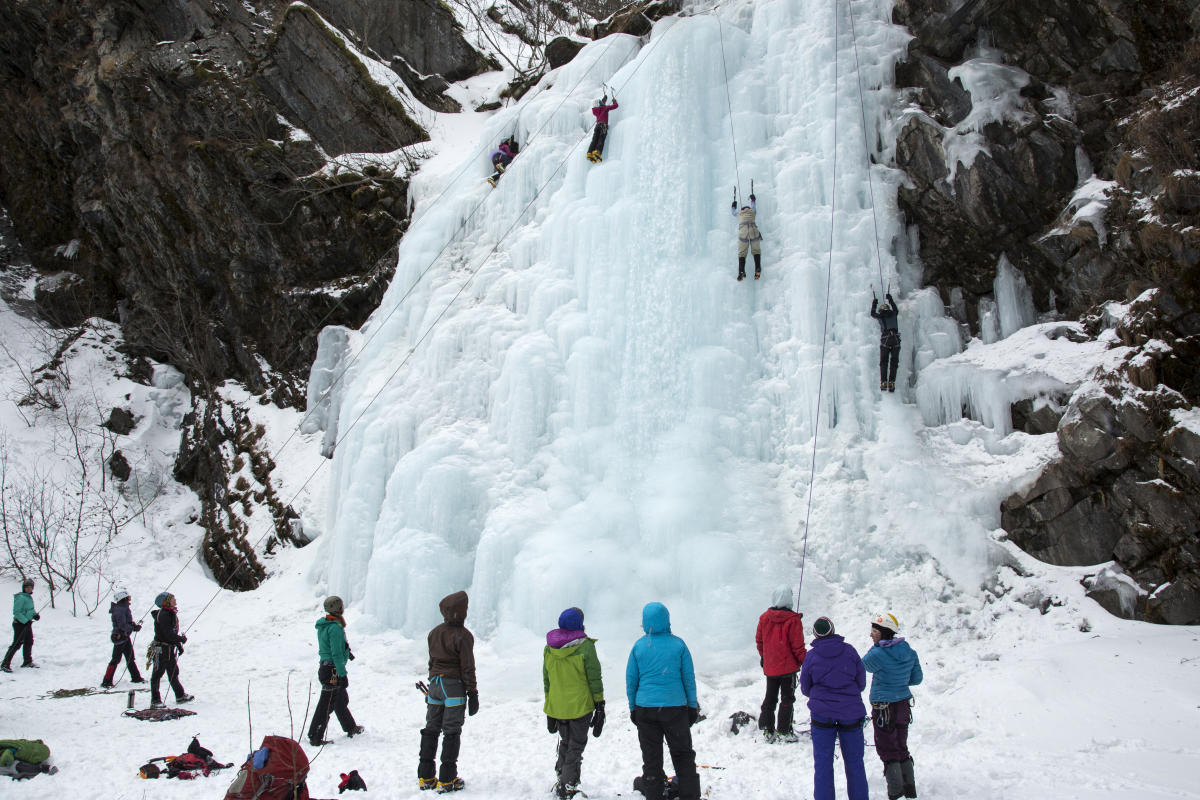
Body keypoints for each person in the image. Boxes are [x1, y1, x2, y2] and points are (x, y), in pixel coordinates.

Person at [626, 602, 700, 800]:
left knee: (651, 758)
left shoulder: (639, 646)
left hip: (646, 708)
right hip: (675, 708)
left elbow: (631, 680)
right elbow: (688, 679)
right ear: (667, 619)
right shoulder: (678, 645)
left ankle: (654, 794)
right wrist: (692, 706)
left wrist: (633, 707)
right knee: (683, 754)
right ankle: (689, 794)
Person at [799, 616, 868, 800]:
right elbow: (861, 682)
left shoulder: (811, 656)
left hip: (822, 714)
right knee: (855, 762)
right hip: (851, 712)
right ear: (833, 630)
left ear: (815, 634)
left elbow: (805, 687)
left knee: (822, 763)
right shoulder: (850, 651)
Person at [418, 590, 478, 793]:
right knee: (451, 731)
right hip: (453, 687)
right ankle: (447, 779)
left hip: (435, 684)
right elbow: (467, 666)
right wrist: (473, 692)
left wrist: (433, 681)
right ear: (460, 612)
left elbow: (431, 661)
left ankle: (426, 776)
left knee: (432, 728)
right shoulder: (463, 636)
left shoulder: (434, 632)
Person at [544, 607, 605, 799]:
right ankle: (568, 785)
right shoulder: (585, 646)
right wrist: (599, 704)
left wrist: (550, 706)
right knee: (576, 745)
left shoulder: (549, 648)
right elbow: (594, 677)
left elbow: (547, 679)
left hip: (559, 707)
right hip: (580, 707)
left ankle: (562, 776)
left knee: (566, 741)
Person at [862, 612, 923, 800]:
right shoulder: (908, 651)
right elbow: (916, 678)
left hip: (883, 707)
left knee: (887, 748)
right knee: (901, 745)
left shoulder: (877, 653)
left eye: (874, 631)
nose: (871, 634)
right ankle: (910, 787)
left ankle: (896, 791)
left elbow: (863, 666)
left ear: (884, 632)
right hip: (903, 704)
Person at [307, 595, 364, 747]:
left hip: (326, 667)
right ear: (338, 608)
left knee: (339, 700)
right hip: (332, 669)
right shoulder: (335, 628)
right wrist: (342, 673)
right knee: (327, 704)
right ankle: (315, 736)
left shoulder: (326, 625)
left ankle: (350, 727)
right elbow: (336, 653)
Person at [755, 585, 806, 740]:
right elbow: (797, 646)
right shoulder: (793, 620)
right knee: (787, 698)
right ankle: (784, 730)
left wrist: (766, 657)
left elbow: (759, 641)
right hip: (788, 668)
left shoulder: (764, 617)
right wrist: (805, 662)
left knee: (770, 698)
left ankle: (768, 730)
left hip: (771, 668)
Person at [149, 592, 193, 708]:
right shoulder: (164, 615)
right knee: (157, 674)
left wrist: (178, 644)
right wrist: (180, 639)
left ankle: (180, 695)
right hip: (161, 649)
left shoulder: (170, 613)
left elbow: (171, 634)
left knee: (173, 672)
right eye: (172, 598)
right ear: (166, 602)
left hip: (168, 649)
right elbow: (168, 634)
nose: (174, 599)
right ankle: (155, 700)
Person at [102, 589, 144, 687]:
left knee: (130, 657)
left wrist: (132, 625)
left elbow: (126, 622)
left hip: (124, 636)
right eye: (128, 596)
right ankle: (106, 681)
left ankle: (136, 677)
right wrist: (133, 628)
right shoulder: (120, 609)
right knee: (115, 659)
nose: (130, 597)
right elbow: (122, 625)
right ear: (123, 598)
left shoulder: (122, 608)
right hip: (120, 637)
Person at [1, 578, 38, 672]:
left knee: (29, 641)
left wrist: (35, 615)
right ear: (23, 588)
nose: (29, 589)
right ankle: (5, 664)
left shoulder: (28, 597)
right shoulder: (20, 597)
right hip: (19, 624)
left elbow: (29, 610)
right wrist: (25, 621)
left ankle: (27, 661)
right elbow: (17, 612)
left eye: (30, 587)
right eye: (27, 587)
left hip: (27, 623)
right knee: (17, 644)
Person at [871, 292, 901, 392]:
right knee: (894, 362)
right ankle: (891, 383)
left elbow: (872, 314)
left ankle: (884, 382)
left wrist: (874, 303)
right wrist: (890, 299)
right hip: (896, 340)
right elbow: (896, 308)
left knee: (884, 362)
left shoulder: (880, 316)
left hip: (886, 340)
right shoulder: (893, 313)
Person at [731, 193, 763, 281]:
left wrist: (733, 205)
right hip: (753, 230)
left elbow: (733, 212)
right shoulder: (752, 211)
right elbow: (753, 204)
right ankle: (757, 268)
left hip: (743, 231)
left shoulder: (739, 213)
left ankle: (741, 271)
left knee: (742, 253)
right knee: (756, 250)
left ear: (742, 209)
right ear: (748, 208)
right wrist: (753, 199)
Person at [586, 94, 619, 163]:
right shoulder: (605, 108)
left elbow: (601, 104)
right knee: (601, 138)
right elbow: (615, 106)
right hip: (603, 125)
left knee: (594, 139)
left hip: (597, 126)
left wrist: (604, 99)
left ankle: (589, 152)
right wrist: (614, 101)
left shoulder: (595, 110)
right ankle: (597, 151)